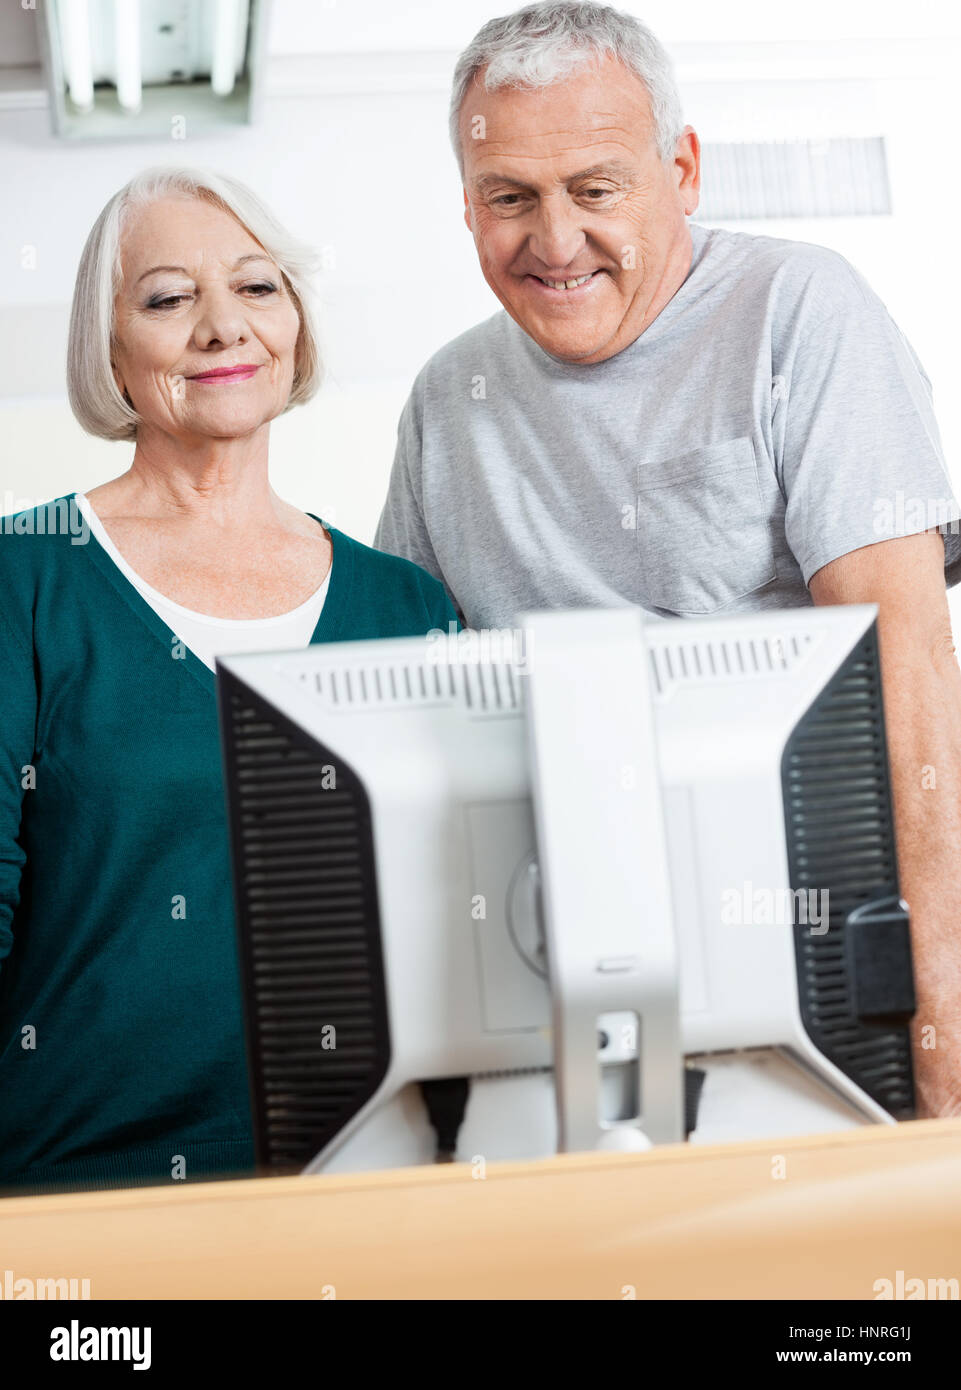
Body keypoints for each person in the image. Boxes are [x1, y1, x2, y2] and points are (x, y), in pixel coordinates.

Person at [374, 1, 961, 1117]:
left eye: (596, 190)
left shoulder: (801, 312)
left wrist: (940, 1035)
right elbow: (397, 723)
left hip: (811, 971)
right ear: (466, 205)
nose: (554, 243)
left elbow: (911, 690)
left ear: (681, 169)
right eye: (511, 199)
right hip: (545, 988)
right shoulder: (448, 401)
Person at [0, 167, 457, 1194]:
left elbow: (454, 933)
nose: (222, 327)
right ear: (108, 347)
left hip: (364, 1184)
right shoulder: (24, 577)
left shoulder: (406, 607)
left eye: (256, 287)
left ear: (294, 321)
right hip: (76, 1190)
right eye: (167, 298)